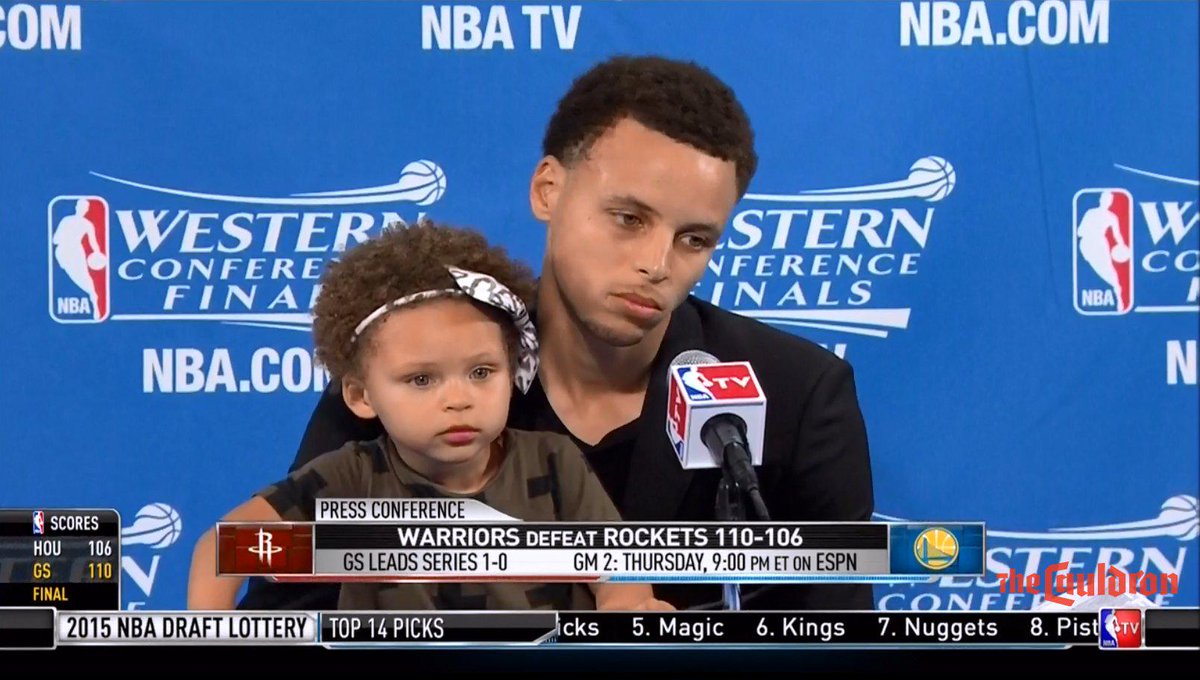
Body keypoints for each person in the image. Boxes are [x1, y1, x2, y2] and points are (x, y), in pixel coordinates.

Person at [243, 55, 875, 611]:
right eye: (628, 218)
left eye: (694, 239)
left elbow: (839, 628)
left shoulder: (798, 393)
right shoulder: (413, 365)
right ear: (549, 190)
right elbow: (287, 615)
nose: (657, 264)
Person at [189, 222, 671, 611]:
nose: (458, 399)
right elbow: (221, 548)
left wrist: (627, 609)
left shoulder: (553, 462)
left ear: (515, 371)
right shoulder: (353, 476)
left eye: (482, 372)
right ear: (361, 395)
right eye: (422, 380)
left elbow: (619, 567)